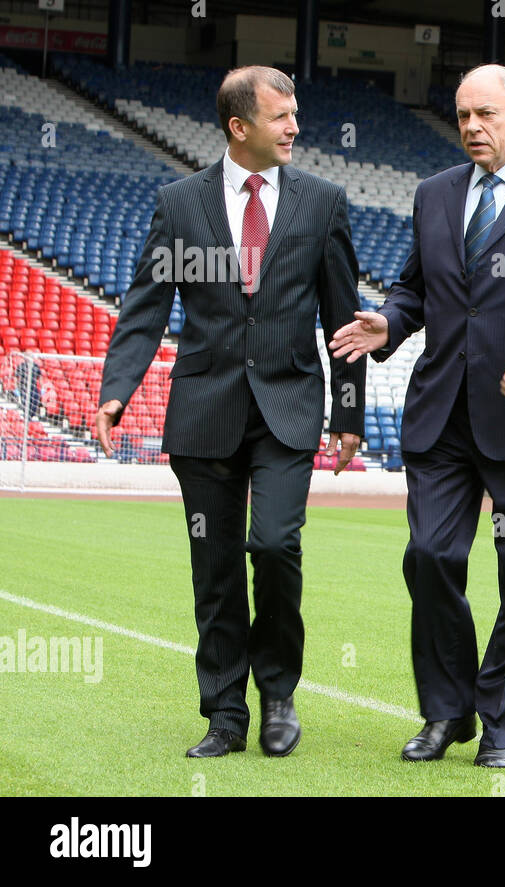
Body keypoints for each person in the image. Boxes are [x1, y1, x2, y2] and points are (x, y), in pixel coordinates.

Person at [329, 64, 505, 768]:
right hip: (442, 414)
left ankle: (503, 723)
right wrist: (388, 323)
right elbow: (415, 289)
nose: (472, 127)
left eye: (486, 113)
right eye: (461, 116)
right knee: (429, 556)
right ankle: (446, 710)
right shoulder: (435, 194)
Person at [95, 65, 365, 758]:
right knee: (213, 567)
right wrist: (115, 388)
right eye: (282, 117)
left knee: (274, 544)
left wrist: (348, 412)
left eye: (296, 113)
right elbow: (146, 304)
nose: (296, 127)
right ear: (239, 127)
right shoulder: (180, 204)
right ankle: (225, 714)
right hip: (205, 411)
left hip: (289, 406)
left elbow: (344, 318)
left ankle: (278, 695)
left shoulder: (323, 202)